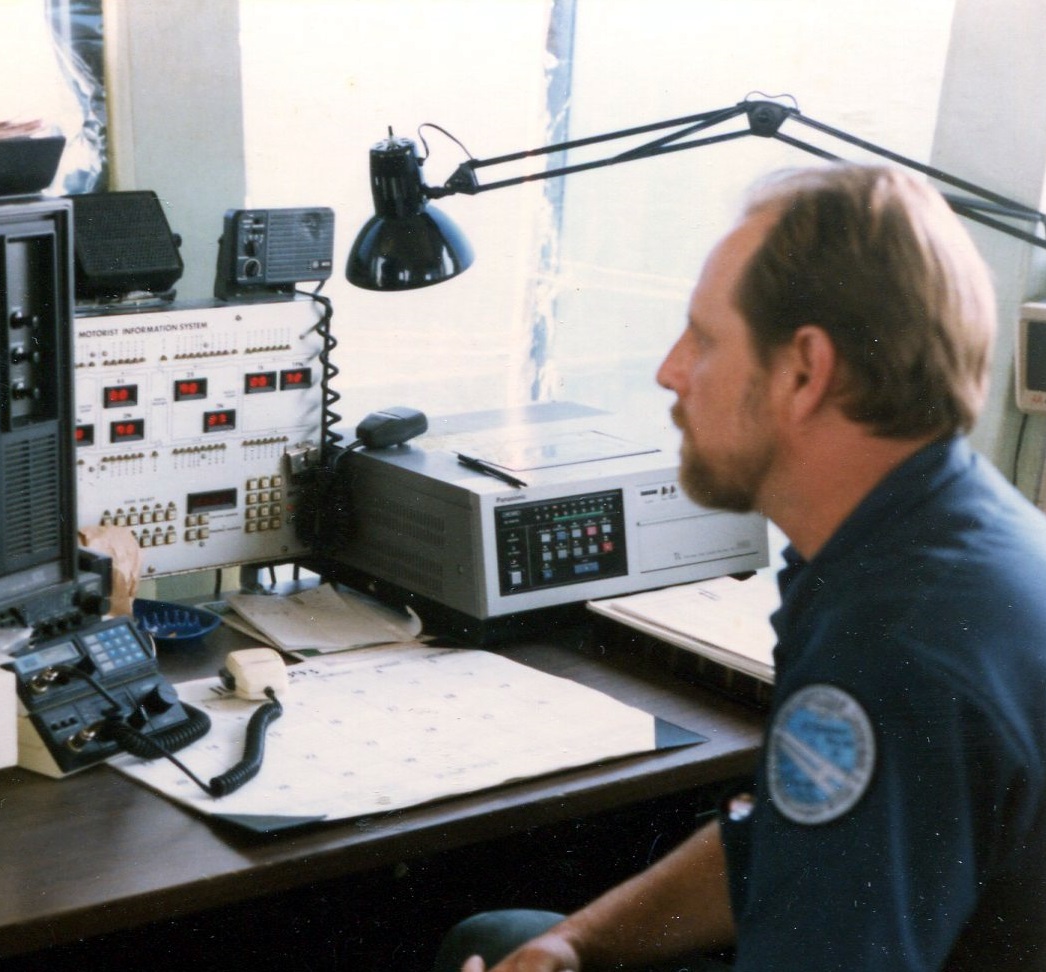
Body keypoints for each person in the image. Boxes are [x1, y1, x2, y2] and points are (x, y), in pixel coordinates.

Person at [433, 164, 1046, 972]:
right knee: (513, 937)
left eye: (705, 339)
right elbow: (792, 835)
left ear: (803, 371)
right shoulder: (944, 533)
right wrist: (576, 939)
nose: (670, 370)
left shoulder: (890, 651)